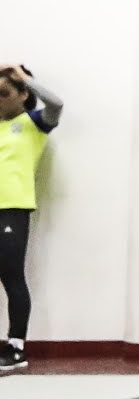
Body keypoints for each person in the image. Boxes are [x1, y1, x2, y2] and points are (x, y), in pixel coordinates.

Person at [0, 64, 62, 374]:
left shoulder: (34, 123)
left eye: (4, 94)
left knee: (11, 276)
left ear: (23, 95)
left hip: (12, 209)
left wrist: (25, 78)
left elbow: (57, 104)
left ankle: (16, 347)